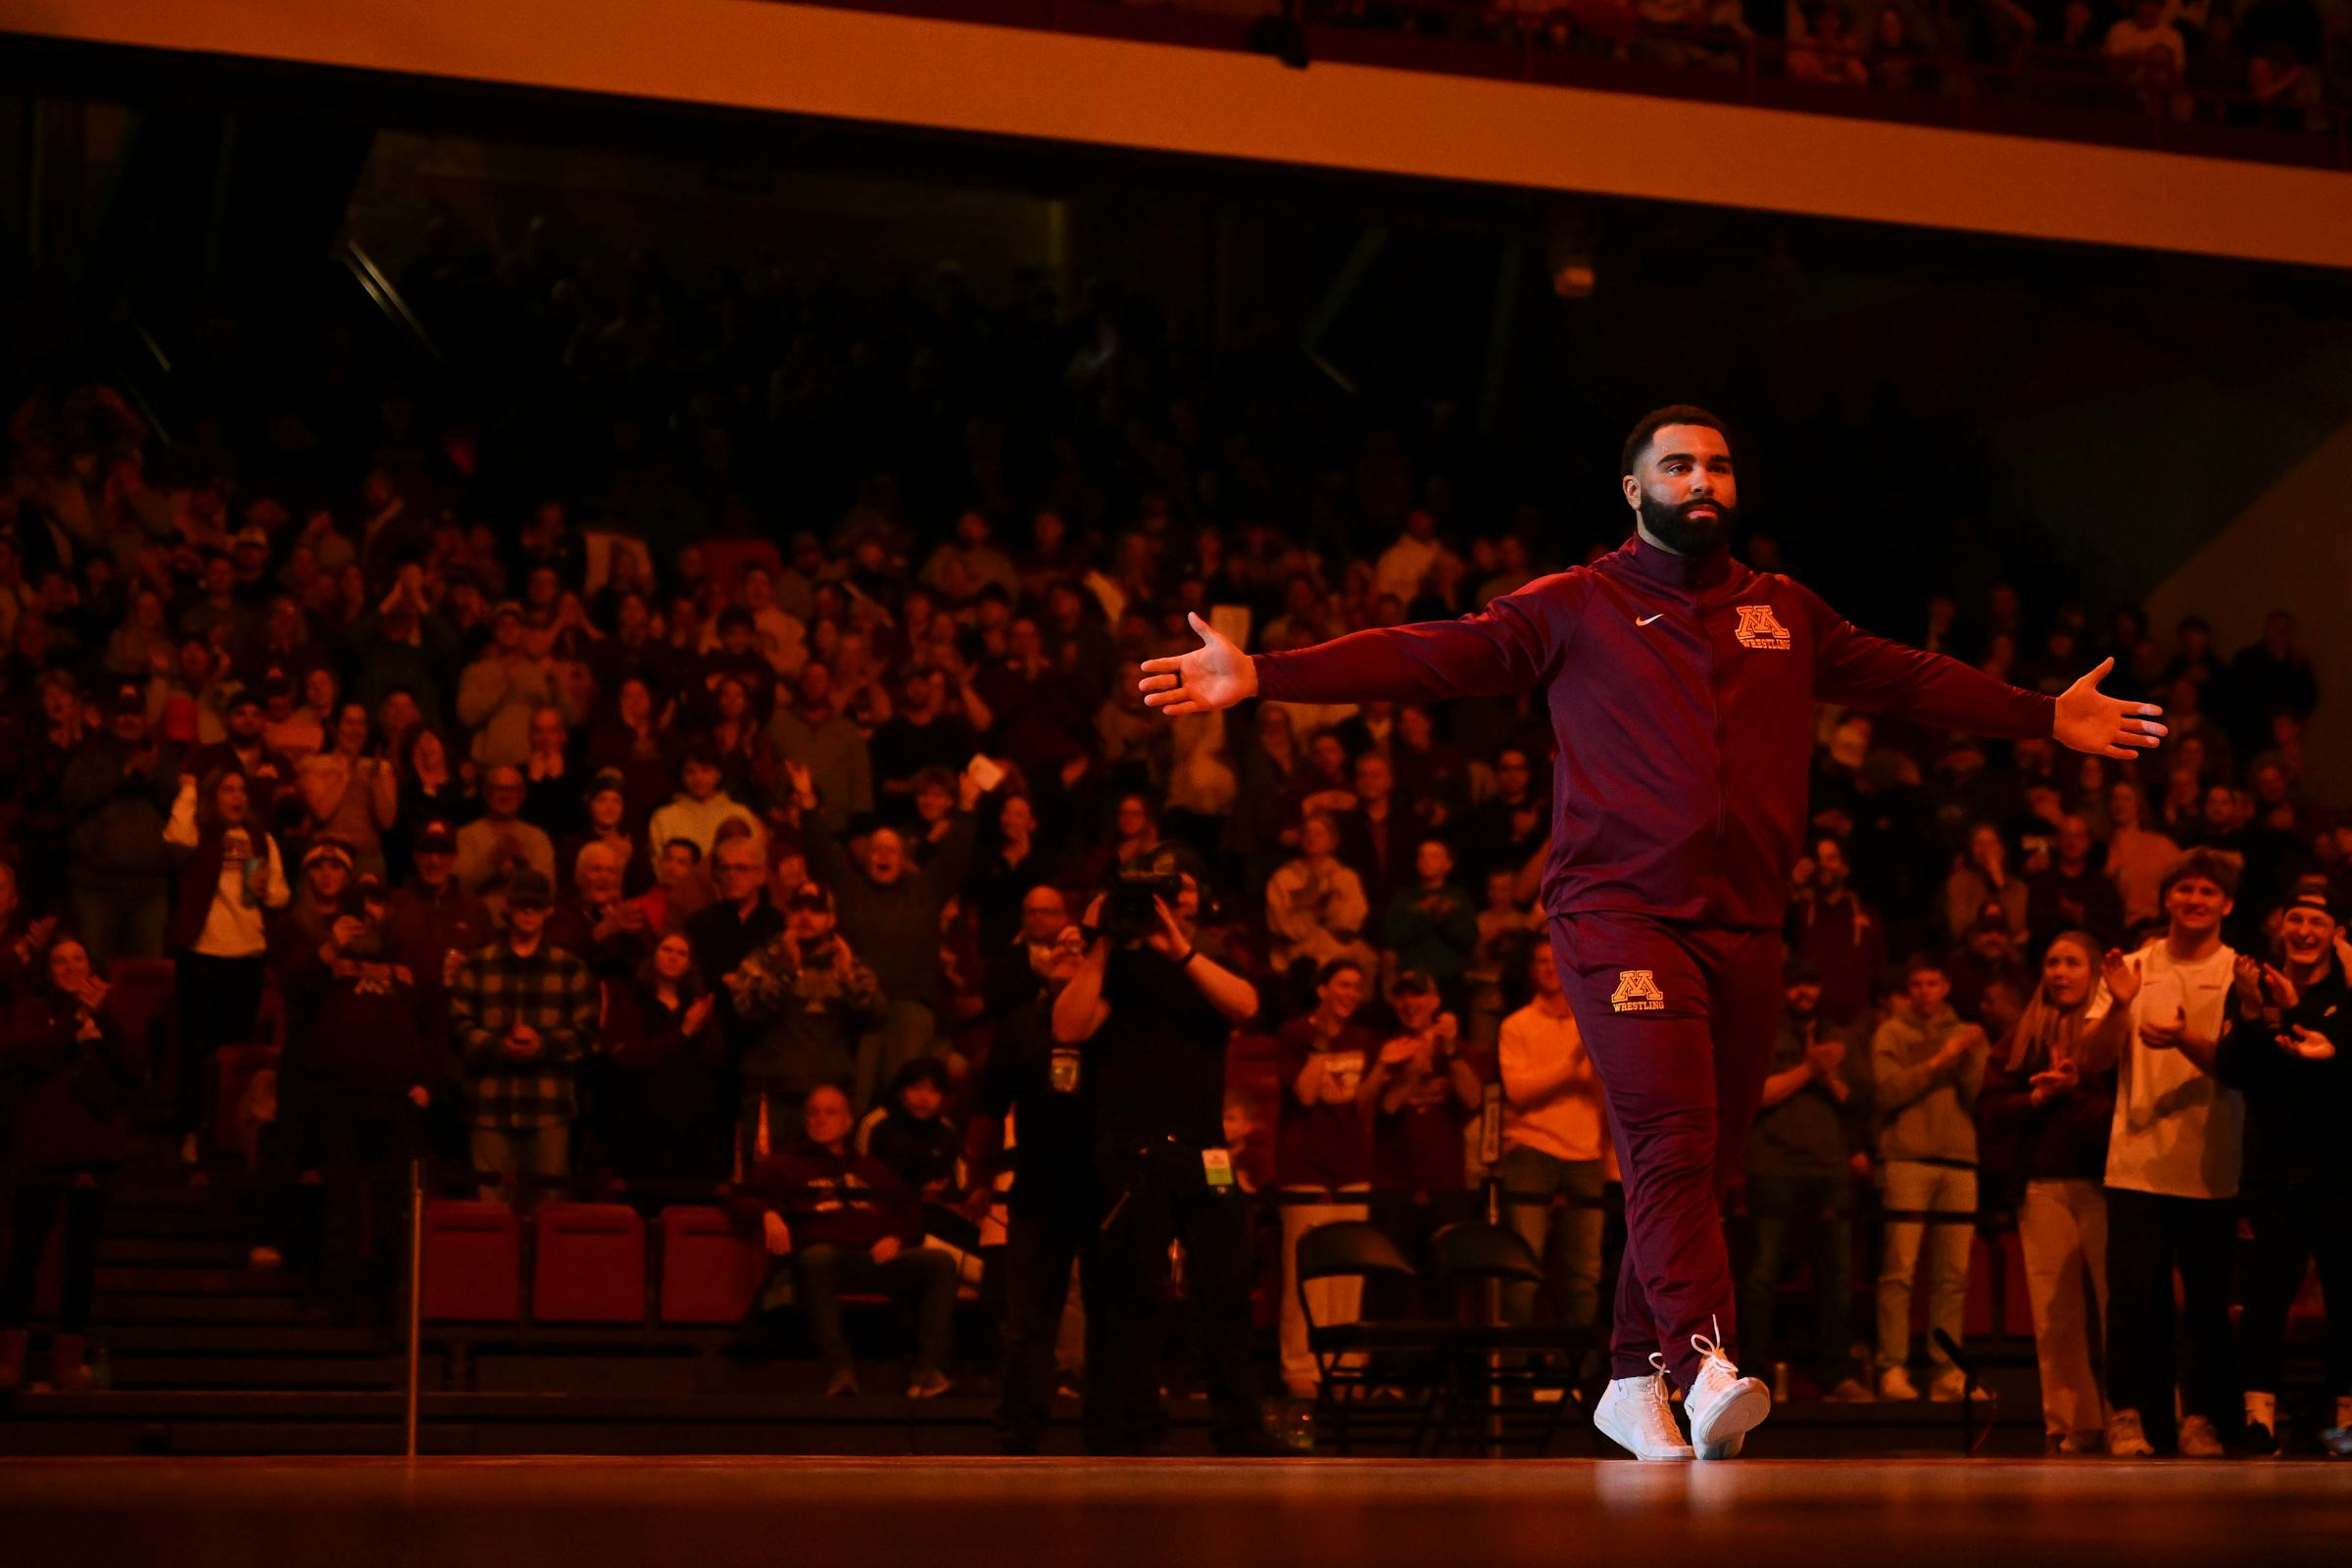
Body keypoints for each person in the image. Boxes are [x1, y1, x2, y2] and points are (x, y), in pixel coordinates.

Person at [1137, 405, 2163, 1459]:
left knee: (1704, 1165)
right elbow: (1432, 654)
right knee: (1669, 1141)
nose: (1701, 478)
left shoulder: (1784, 613)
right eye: (1676, 465)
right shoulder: (1578, 603)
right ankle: (1702, 1360)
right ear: (1634, 491)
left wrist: (2044, 715)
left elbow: (1908, 677)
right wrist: (1267, 674)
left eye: (1717, 464)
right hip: (1619, 912)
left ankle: (1629, 1378)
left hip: (1750, 925)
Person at [1054, 870, 1278, 1454]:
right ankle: (1133, 1423)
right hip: (1133, 1150)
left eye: (1176, 901)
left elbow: (1246, 1005)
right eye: (1154, 903)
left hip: (1205, 1149)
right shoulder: (1115, 967)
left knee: (1228, 1284)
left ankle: (1239, 1424)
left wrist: (1181, 951)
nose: (1164, 912)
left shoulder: (1207, 963)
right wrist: (1101, 939)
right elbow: (1068, 1027)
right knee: (1130, 1292)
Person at [2077, 848, 2244, 1458]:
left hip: (2214, 1164)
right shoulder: (2134, 965)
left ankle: (2200, 1418)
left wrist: (2184, 1040)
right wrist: (2121, 1003)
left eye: (2206, 892)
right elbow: (2090, 1061)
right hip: (2136, 1164)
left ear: (2226, 904)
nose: (2194, 900)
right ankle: (2127, 1415)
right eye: (2184, 890)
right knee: (2133, 1303)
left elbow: (2242, 1067)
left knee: (2206, 1306)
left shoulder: (2238, 972)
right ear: (2167, 898)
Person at [2218, 889, 2352, 1454]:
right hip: (2270, 1174)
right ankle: (2259, 1420)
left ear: (2334, 932)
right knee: (2265, 1297)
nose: (2303, 929)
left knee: (2348, 1298)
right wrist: (2252, 1012)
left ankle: (2343, 1419)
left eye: (2316, 921)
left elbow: (2336, 1065)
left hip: (2339, 1174)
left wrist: (2302, 1020)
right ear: (2280, 928)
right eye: (2294, 918)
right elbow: (2231, 1071)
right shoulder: (2251, 986)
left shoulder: (2348, 994)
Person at [1977, 931, 2116, 1452]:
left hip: (2108, 1183)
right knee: (2055, 1316)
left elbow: (2126, 1108)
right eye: (2053, 962)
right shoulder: (2022, 1036)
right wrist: (2035, 1098)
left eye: (2073, 963)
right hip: (2041, 1185)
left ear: (2095, 971)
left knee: (2118, 1307)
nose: (2061, 972)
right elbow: (1989, 1112)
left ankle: (2127, 1414)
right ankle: (2071, 1423)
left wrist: (2075, 1090)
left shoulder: (2114, 1033)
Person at [735, 1084, 957, 1398]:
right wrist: (768, 1213)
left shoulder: (870, 1168)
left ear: (849, 1120)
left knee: (940, 1263)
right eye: (813, 1112)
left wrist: (896, 1236)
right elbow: (739, 1198)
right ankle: (838, 1370)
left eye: (831, 1112)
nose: (821, 1119)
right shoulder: (784, 1164)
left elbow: (910, 1210)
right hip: (825, 1259)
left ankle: (927, 1372)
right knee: (817, 1258)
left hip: (876, 1256)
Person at [789, 760, 975, 1114]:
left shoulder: (924, 891)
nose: (883, 855)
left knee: (900, 1097)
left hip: (910, 1008)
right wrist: (808, 802)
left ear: (904, 860)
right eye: (876, 849)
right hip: (859, 1008)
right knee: (857, 1097)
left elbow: (956, 856)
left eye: (892, 850)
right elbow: (822, 855)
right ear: (866, 858)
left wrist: (966, 808)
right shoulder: (851, 892)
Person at [983, 923, 1104, 1452]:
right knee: (1028, 1319)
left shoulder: (1118, 1021)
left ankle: (1110, 1424)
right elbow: (988, 1106)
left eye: (1082, 944)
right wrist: (983, 1176)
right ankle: (1019, 1428)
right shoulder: (1020, 1026)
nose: (1068, 950)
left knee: (1112, 1313)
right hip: (1039, 1185)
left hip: (1106, 1186)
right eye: (1060, 945)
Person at [0, 937, 139, 1393]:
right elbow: (26, 1056)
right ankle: (9, 1359)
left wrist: (103, 1019)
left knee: (82, 1262)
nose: (70, 966)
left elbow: (137, 1068)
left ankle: (67, 1362)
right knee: (25, 1257)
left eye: (78, 958)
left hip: (92, 1152)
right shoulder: (31, 1008)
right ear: (48, 969)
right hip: (42, 1151)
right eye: (60, 960)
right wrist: (74, 1021)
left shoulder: (106, 1009)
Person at [1738, 959, 1872, 1403]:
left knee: (1836, 1277)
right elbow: (1755, 1095)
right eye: (1795, 985)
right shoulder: (1762, 1032)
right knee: (1761, 1275)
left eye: (1809, 983)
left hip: (1829, 1171)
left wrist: (1828, 1073)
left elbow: (1859, 1101)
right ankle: (1750, 1376)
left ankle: (1836, 1374)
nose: (1803, 993)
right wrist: (1810, 1069)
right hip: (1772, 1166)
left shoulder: (1842, 1038)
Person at [1870, 955, 1989, 1402]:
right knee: (1899, 1270)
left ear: (1946, 987)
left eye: (1933, 981)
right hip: (1908, 1160)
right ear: (1906, 990)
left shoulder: (1967, 1034)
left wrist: (1971, 1055)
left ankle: (1947, 1371)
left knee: (1953, 1275)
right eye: (1916, 983)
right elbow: (1887, 1092)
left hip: (1959, 1160)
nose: (1925, 991)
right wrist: (1942, 1059)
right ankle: (1893, 1366)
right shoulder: (1891, 1033)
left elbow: (1976, 1094)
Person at [447, 868, 600, 1209]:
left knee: (547, 1210)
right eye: (522, 905)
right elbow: (459, 1026)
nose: (529, 912)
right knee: (490, 1211)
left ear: (549, 911)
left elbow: (588, 1034)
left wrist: (541, 1045)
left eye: (536, 906)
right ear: (507, 908)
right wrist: (500, 1046)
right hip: (490, 1104)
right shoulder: (478, 965)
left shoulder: (570, 968)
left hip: (548, 1106)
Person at [163, 765, 291, 1162]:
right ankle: (191, 1129)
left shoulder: (260, 838)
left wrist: (266, 888)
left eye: (242, 790)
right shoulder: (200, 835)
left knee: (236, 1048)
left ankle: (226, 1133)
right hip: (203, 951)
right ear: (213, 796)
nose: (237, 797)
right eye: (227, 789)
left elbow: (281, 896)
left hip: (247, 952)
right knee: (197, 1044)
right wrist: (187, 791)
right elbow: (176, 837)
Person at [1272, 956, 1379, 1398]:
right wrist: (1321, 1045)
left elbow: (1365, 1101)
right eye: (1342, 984)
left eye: (1356, 987)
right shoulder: (1295, 1034)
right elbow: (1303, 1092)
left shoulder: (1365, 1039)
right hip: (1305, 1169)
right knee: (1304, 1276)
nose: (1350, 994)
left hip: (1352, 1166)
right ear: (1322, 989)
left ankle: (1345, 1365)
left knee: (1348, 1276)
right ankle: (1300, 1365)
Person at [1494, 944, 1610, 1342]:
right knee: (1522, 1272)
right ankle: (1515, 1379)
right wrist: (1570, 1067)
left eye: (1555, 959)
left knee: (1585, 1275)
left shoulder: (1591, 1022)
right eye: (1540, 960)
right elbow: (1519, 1092)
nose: (1547, 967)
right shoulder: (1517, 1025)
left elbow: (1605, 1094)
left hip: (1584, 1153)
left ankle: (1576, 1377)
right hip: (1531, 1149)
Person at [728, 883, 886, 1169]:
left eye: (815, 910)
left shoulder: (848, 962)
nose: (805, 917)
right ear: (787, 915)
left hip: (829, 1098)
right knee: (766, 1185)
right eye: (798, 909)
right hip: (773, 1095)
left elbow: (875, 1018)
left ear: (831, 919)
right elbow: (744, 1013)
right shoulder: (762, 959)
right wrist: (786, 972)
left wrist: (849, 980)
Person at [598, 931, 730, 1188]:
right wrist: (684, 1033)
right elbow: (630, 1057)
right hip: (644, 1123)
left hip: (692, 1123)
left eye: (682, 953)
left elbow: (718, 1059)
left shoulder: (698, 1004)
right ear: (653, 956)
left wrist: (699, 1029)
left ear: (690, 963)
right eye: (667, 950)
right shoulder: (632, 999)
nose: (673, 957)